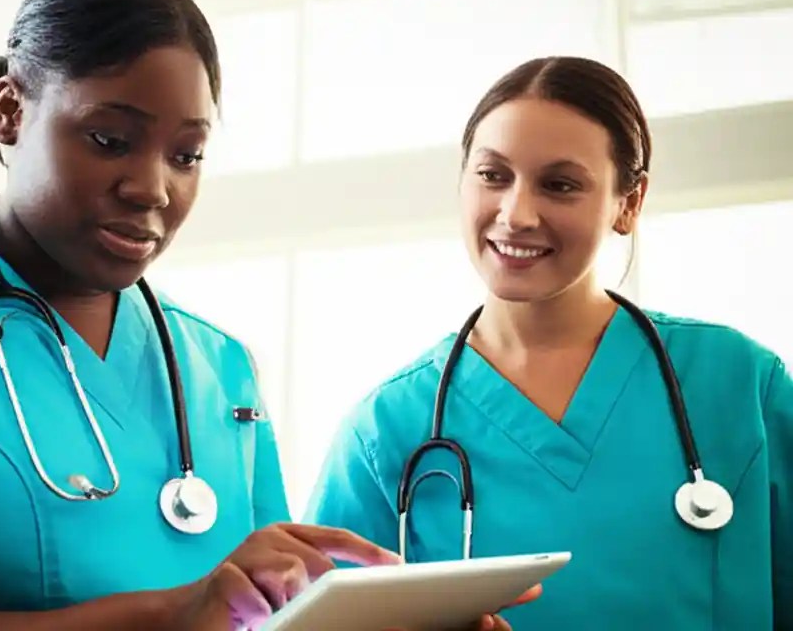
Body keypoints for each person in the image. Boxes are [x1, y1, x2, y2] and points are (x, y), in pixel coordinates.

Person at [0, 0, 532, 631]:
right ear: (10, 109)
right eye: (109, 139)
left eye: (186, 154)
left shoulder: (219, 365)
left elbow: (268, 613)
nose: (151, 188)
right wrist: (172, 614)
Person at [305, 55, 792, 630]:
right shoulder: (385, 431)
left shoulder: (737, 384)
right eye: (493, 175)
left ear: (628, 204)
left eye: (559, 185)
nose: (516, 214)